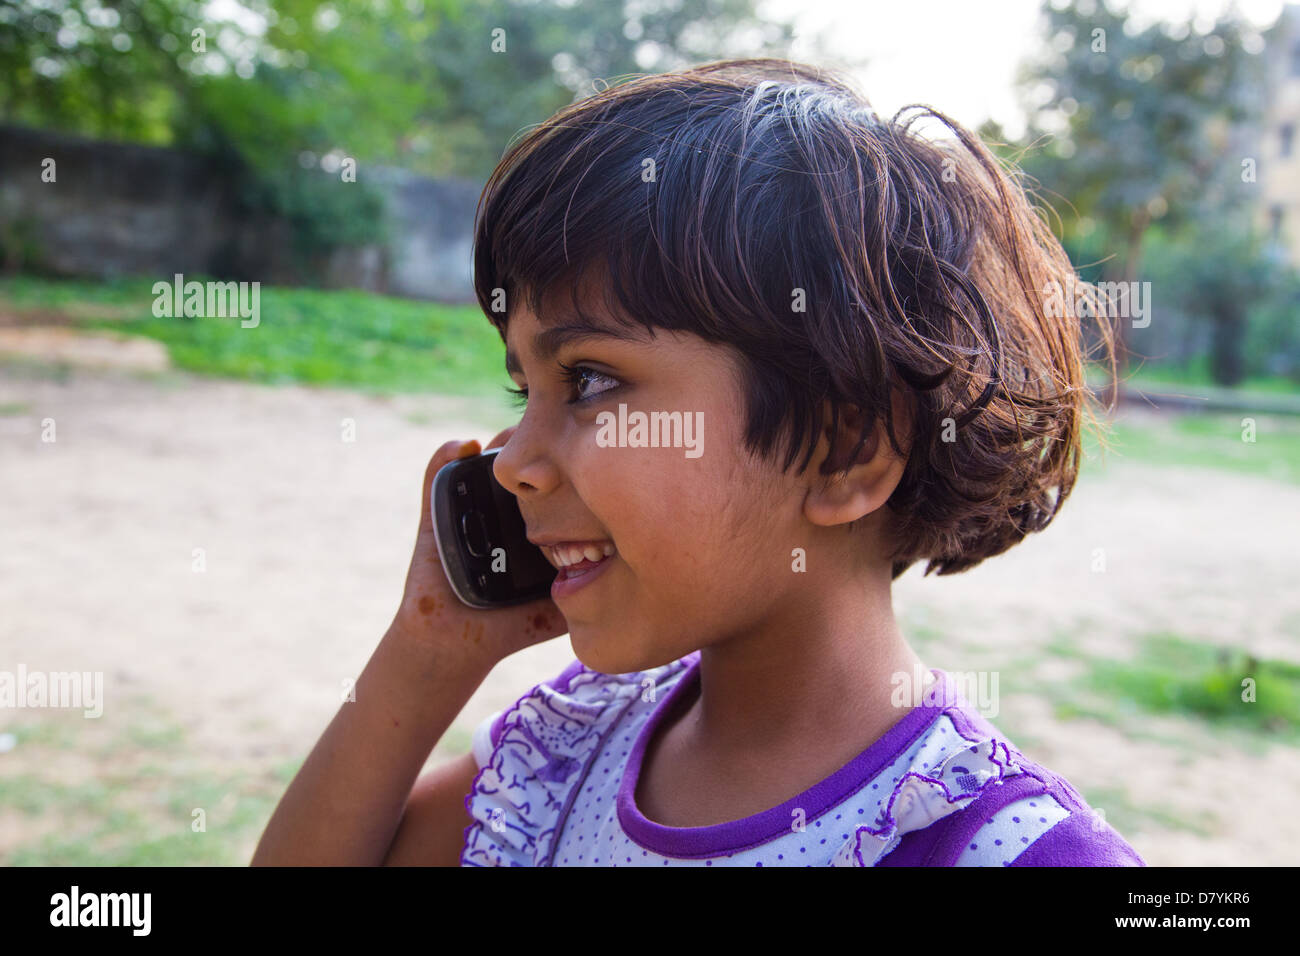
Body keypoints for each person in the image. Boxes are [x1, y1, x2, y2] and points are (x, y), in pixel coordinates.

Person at [252, 57, 1143, 867]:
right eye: (526, 391)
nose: (514, 462)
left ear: (846, 453)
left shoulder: (1010, 852)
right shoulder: (568, 753)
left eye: (592, 381)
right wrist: (429, 652)